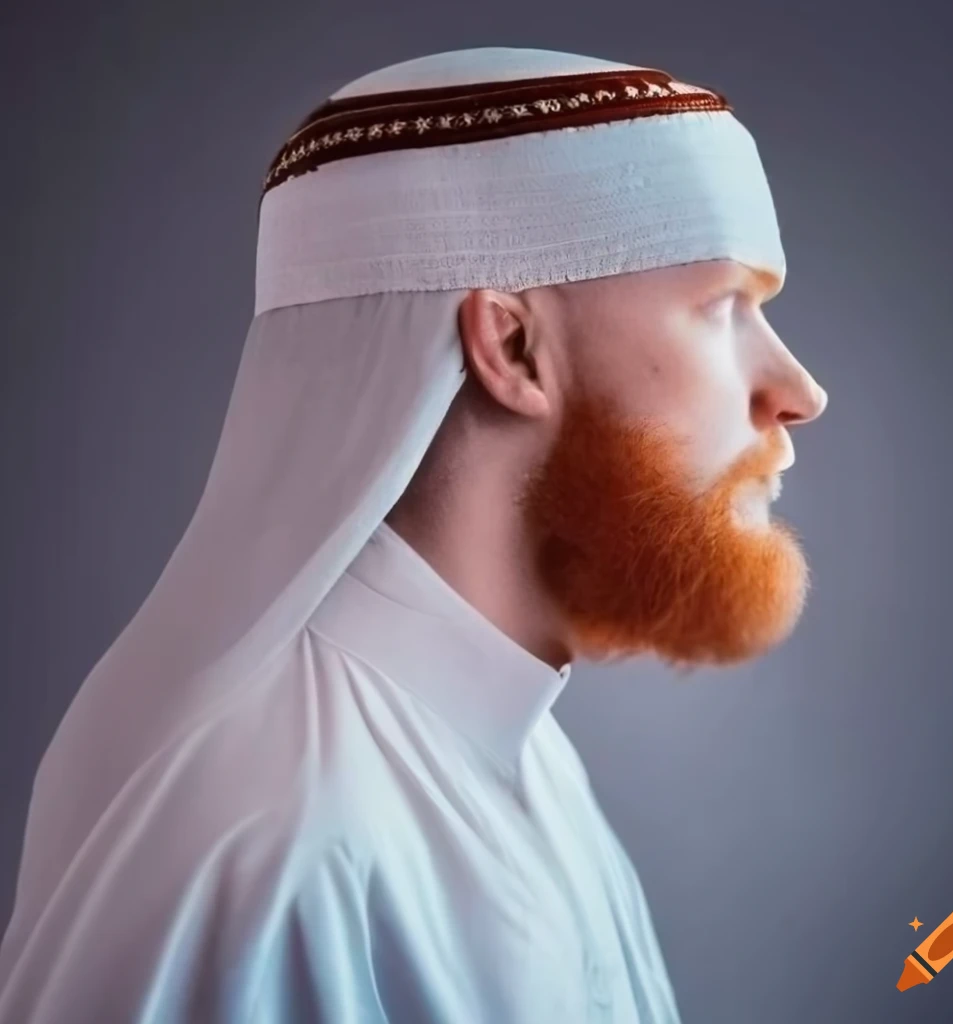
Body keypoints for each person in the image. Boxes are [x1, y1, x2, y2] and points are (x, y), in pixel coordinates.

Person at [0, 45, 826, 1023]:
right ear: (512, 347)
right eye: (720, 309)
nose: (799, 392)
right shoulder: (281, 843)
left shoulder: (533, 763)